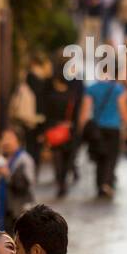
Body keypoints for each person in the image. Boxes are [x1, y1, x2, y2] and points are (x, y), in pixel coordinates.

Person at [79, 72, 127, 199]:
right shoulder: (118, 89)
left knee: (100, 157)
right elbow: (124, 110)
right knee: (111, 157)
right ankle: (107, 182)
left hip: (97, 129)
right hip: (113, 128)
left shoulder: (91, 88)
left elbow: (85, 112)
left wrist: (82, 130)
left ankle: (100, 184)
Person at [0, 127, 36, 233]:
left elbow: (25, 185)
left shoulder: (25, 160)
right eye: (3, 138)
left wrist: (7, 174)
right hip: (0, 210)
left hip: (17, 211)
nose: (5, 141)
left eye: (9, 138)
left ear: (18, 141)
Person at [42, 70, 79, 199]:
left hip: (54, 132)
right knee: (67, 159)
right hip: (69, 132)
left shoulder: (51, 97)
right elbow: (76, 117)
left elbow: (47, 117)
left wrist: (45, 133)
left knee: (57, 159)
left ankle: (60, 184)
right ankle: (63, 180)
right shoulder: (72, 97)